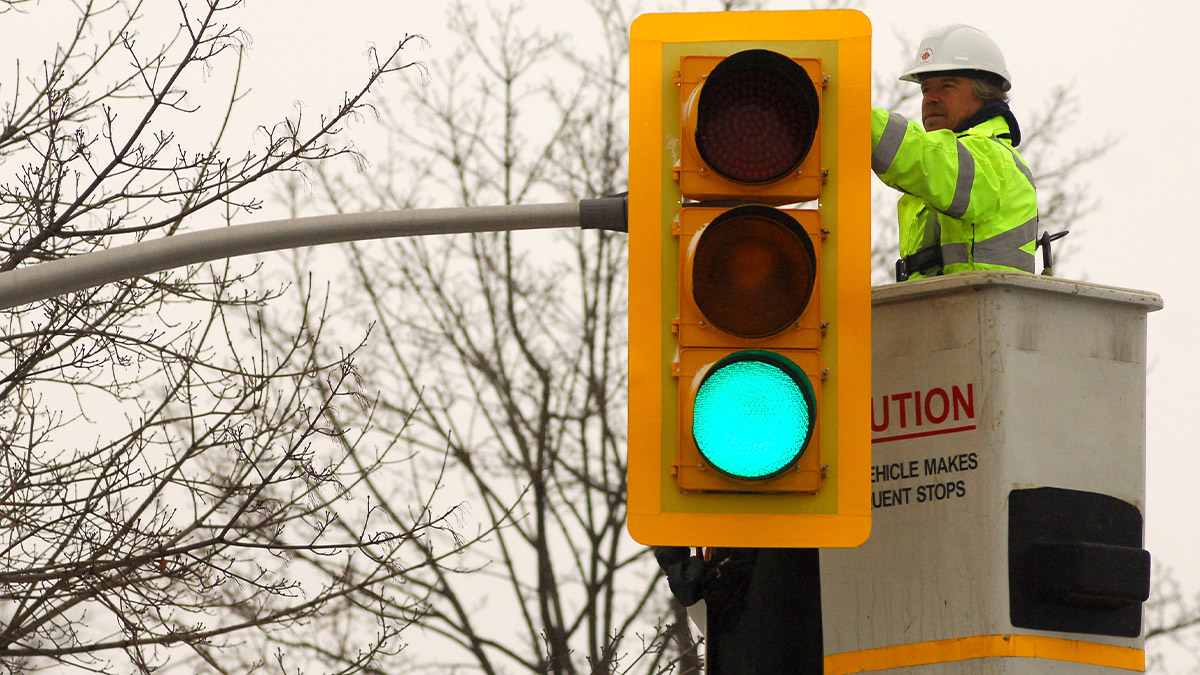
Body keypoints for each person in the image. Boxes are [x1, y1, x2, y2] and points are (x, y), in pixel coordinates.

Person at [871, 24, 1038, 281]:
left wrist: (858, 120)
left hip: (980, 314)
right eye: (926, 89)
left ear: (985, 94)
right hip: (947, 312)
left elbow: (927, 160)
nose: (931, 99)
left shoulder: (992, 158)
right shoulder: (958, 155)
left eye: (947, 86)